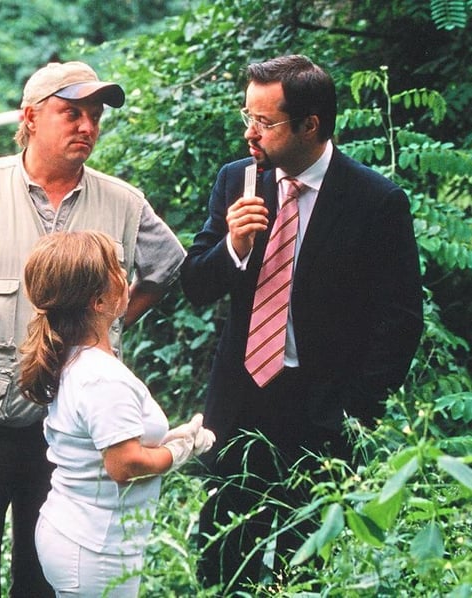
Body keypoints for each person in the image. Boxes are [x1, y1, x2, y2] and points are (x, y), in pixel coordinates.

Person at [0, 60, 187, 598]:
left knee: (46, 570)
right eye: (72, 113)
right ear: (30, 116)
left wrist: (112, 321)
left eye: (94, 115)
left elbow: (167, 264)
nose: (87, 126)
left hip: (70, 430)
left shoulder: (122, 200)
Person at [180, 55, 424, 591]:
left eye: (265, 123)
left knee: (305, 565)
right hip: (241, 400)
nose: (250, 133)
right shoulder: (237, 180)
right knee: (223, 557)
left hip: (321, 413)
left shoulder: (375, 201)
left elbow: (401, 320)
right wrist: (233, 246)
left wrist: (354, 408)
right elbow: (195, 285)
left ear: (310, 124)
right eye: (248, 115)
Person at [18, 230, 215, 597]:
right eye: (116, 269)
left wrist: (169, 438)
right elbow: (124, 465)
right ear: (98, 301)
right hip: (95, 549)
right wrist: (179, 452)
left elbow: (104, 443)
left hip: (79, 535)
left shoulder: (78, 359)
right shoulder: (103, 378)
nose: (125, 277)